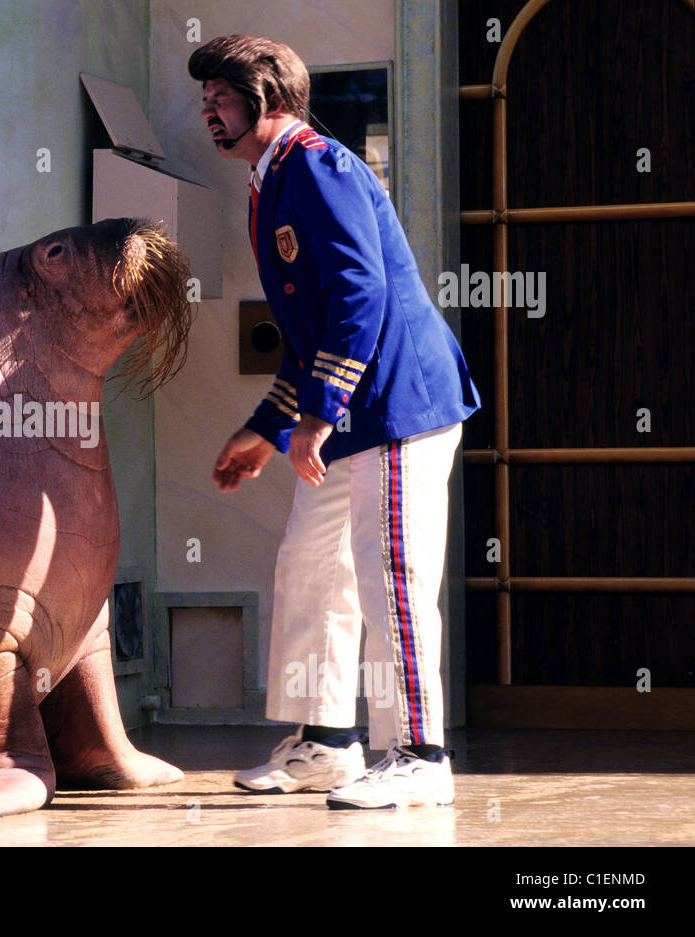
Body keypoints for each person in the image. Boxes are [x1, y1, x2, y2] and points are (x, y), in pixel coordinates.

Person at [189, 35, 480, 808]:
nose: (208, 111)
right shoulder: (268, 181)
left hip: (394, 407)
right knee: (309, 568)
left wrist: (318, 414)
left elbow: (361, 294)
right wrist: (267, 428)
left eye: (221, 97)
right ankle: (325, 743)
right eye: (207, 98)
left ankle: (420, 754)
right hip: (351, 412)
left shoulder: (318, 164)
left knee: (393, 576)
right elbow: (310, 329)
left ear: (269, 100)